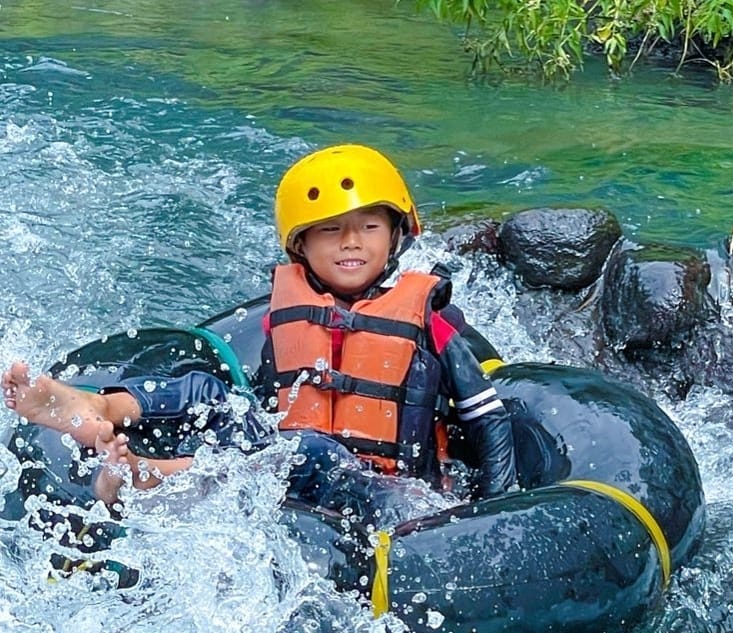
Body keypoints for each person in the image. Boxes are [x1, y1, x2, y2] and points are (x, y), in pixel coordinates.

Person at [3, 144, 518, 525]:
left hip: (390, 492)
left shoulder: (431, 320)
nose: (351, 243)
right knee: (219, 400)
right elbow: (267, 403)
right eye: (330, 230)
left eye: (369, 227)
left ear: (397, 235)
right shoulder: (285, 316)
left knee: (302, 452)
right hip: (294, 463)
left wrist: (494, 514)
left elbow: (487, 420)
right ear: (301, 246)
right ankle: (101, 409)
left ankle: (150, 477)